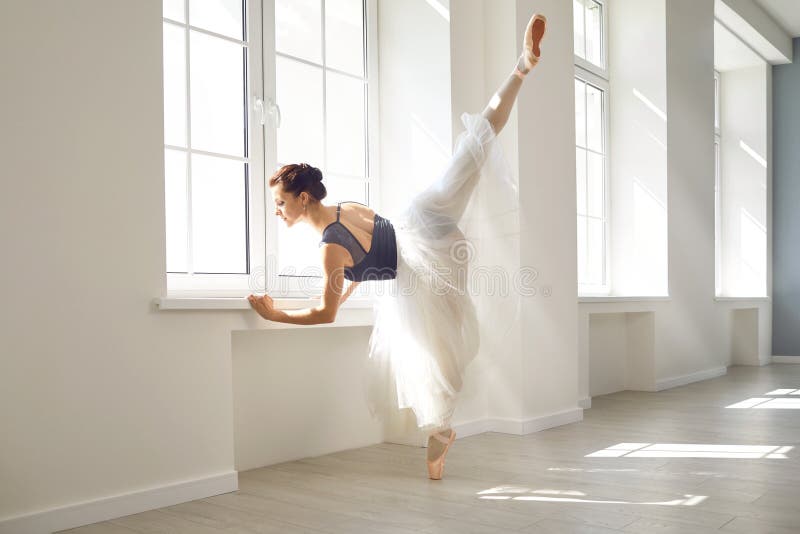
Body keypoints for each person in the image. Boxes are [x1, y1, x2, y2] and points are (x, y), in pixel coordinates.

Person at [248, 13, 547, 480]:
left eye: (279, 202)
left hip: (421, 271)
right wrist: (351, 281)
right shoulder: (346, 207)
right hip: (422, 218)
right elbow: (367, 250)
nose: (277, 210)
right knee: (473, 148)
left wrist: (276, 314)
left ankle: (442, 433)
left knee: (439, 371)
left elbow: (326, 312)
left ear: (302, 198)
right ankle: (521, 69)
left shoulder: (329, 248)